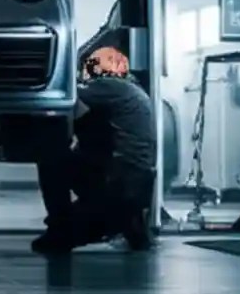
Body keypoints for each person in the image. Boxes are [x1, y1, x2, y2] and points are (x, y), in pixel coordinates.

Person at [32, 47, 156, 254]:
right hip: (137, 184)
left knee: (50, 159)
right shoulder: (134, 91)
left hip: (118, 183)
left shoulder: (111, 87)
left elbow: (66, 94)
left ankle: (60, 227)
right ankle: (130, 224)